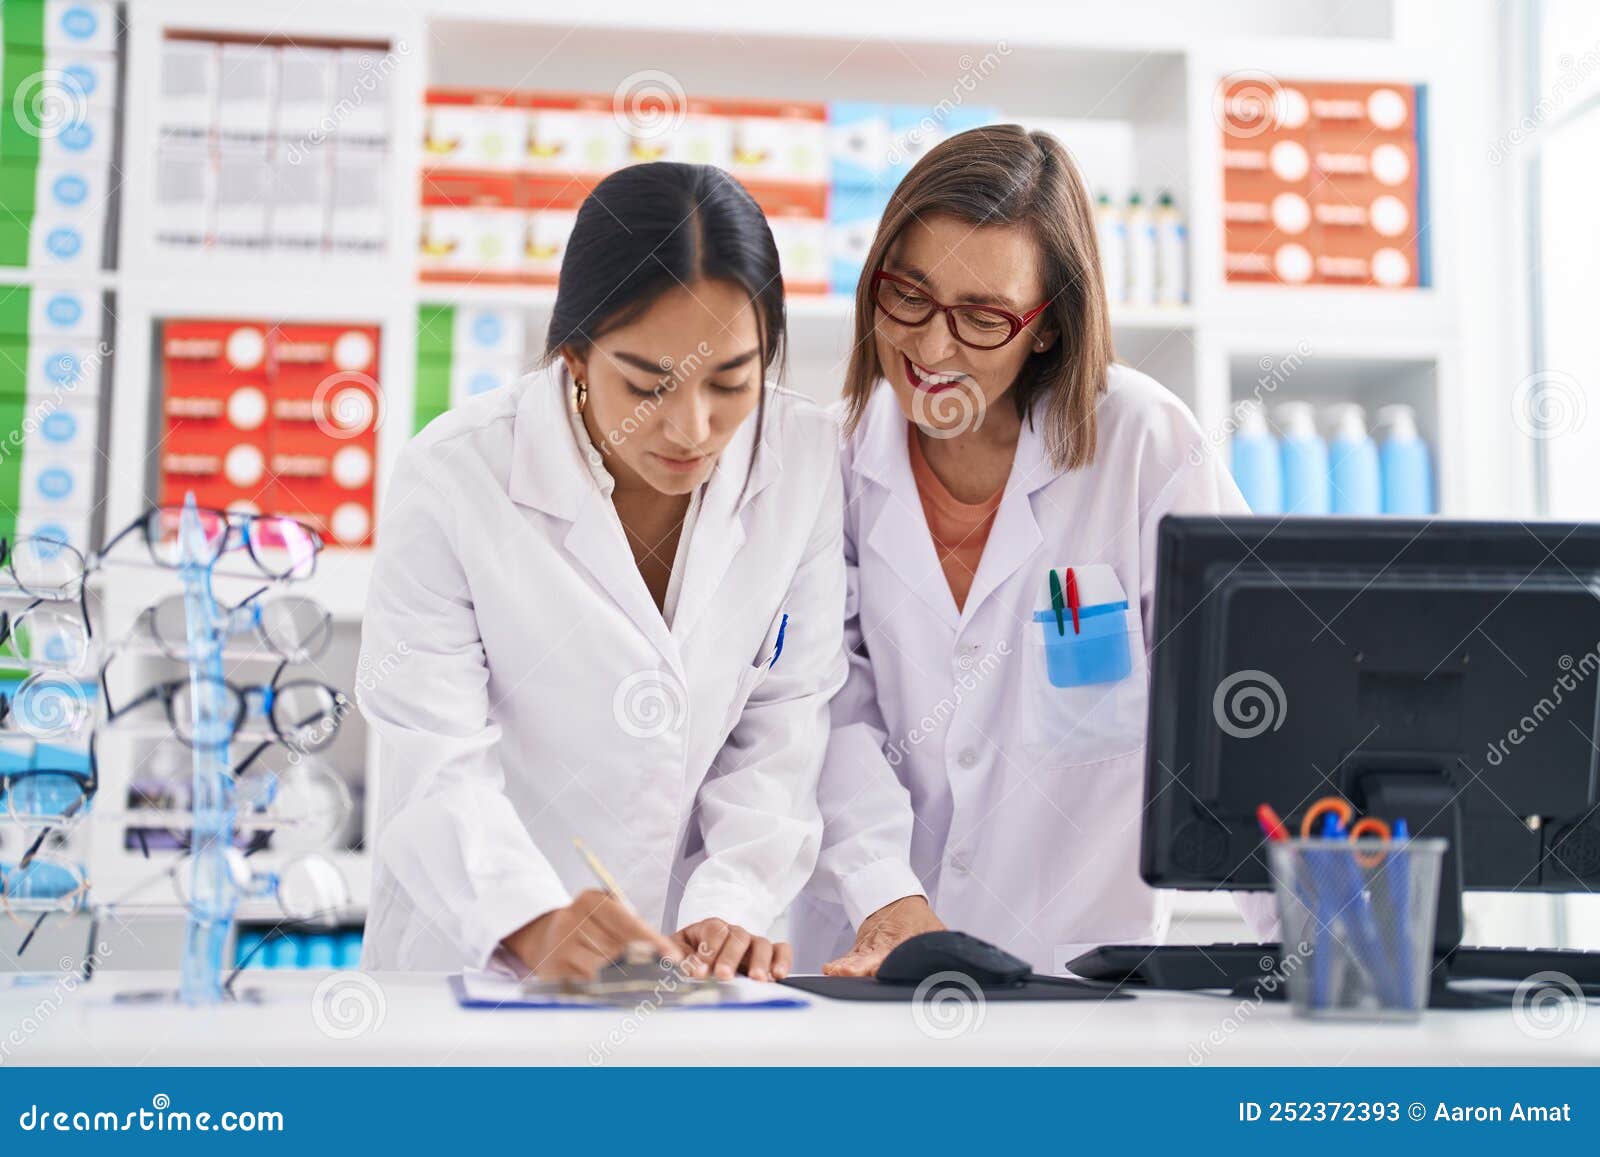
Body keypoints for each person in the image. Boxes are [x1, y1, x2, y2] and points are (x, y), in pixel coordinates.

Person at [793, 125, 1272, 976]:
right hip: (856, 969)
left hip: (1070, 978)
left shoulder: (1141, 443)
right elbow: (825, 710)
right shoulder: (822, 464)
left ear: (1048, 328)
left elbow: (1240, 708)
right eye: (908, 295)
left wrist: (1323, 938)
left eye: (982, 318)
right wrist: (885, 893)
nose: (933, 350)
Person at [359, 162, 846, 982]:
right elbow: (429, 750)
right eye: (648, 384)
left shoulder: (800, 461)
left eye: (732, 380)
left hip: (686, 974)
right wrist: (530, 918)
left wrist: (729, 900)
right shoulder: (455, 474)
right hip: (474, 966)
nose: (693, 427)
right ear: (576, 353)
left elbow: (785, 721)